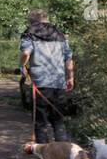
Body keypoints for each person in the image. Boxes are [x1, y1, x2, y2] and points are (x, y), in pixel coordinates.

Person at [19, 8, 74, 143]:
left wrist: (22, 66)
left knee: (41, 122)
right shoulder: (59, 34)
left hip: (40, 84)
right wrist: (70, 77)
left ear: (31, 22)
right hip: (59, 83)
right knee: (58, 121)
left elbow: (26, 53)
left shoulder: (29, 33)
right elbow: (68, 58)